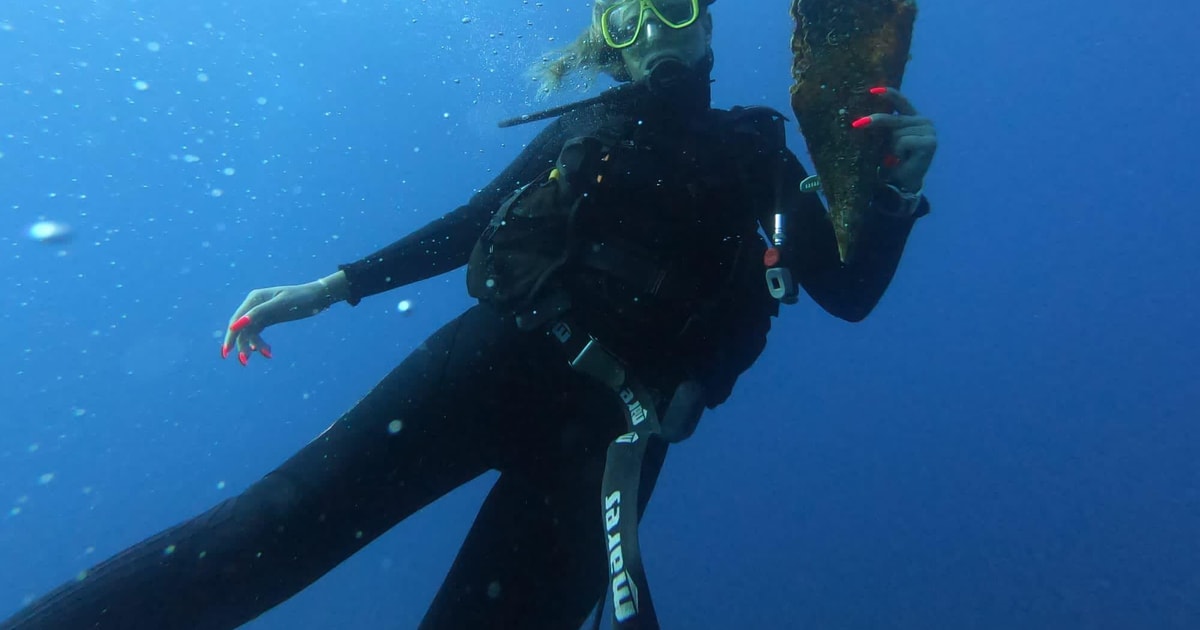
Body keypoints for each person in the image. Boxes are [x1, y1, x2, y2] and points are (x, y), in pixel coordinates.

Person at [1, 0, 937, 628]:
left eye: (675, 5)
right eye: (626, 15)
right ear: (611, 43)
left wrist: (891, 193)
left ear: (706, 31)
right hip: (492, 364)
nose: (654, 28)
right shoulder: (589, 129)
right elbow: (471, 225)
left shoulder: (761, 155)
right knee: (255, 539)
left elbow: (847, 292)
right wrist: (333, 286)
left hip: (615, 441)